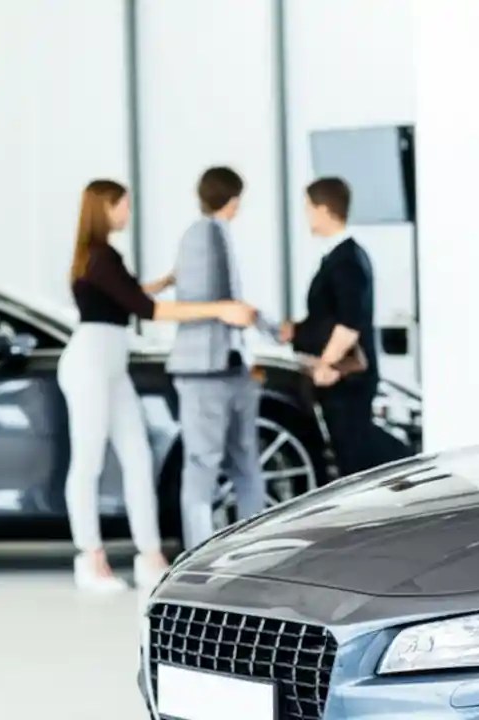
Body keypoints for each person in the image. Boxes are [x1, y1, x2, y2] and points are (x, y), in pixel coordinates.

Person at [60, 179, 256, 594]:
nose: (128, 212)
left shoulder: (103, 257)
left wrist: (166, 280)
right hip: (91, 363)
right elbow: (146, 310)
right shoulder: (97, 257)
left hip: (111, 364)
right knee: (89, 461)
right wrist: (219, 308)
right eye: (124, 205)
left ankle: (150, 556)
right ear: (107, 208)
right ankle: (90, 557)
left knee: (138, 456)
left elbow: (129, 296)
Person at [168, 167, 274, 549]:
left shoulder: (206, 234)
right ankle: (200, 555)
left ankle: (254, 550)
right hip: (207, 369)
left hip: (230, 367)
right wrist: (268, 327)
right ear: (233, 199)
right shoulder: (205, 233)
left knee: (243, 461)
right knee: (205, 464)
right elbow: (219, 303)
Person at [285, 177, 405, 476]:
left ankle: (414, 468)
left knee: (357, 454)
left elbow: (349, 324)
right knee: (351, 451)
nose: (307, 216)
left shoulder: (347, 260)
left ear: (324, 210)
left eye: (308, 209)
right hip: (342, 378)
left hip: (347, 378)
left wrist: (326, 364)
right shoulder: (340, 257)